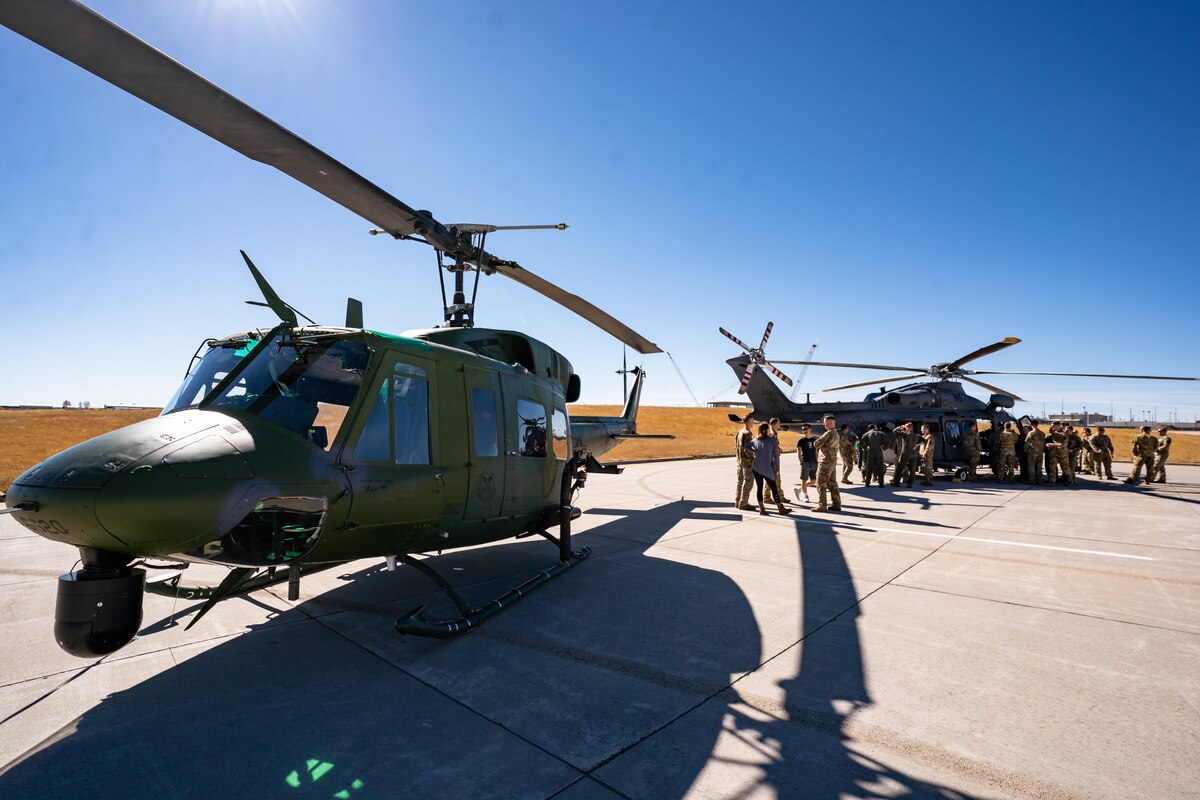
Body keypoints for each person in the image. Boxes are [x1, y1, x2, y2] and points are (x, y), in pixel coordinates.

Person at [747, 422, 792, 515]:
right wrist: (777, 469)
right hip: (767, 468)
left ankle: (761, 509)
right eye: (768, 429)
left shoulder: (755, 440)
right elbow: (776, 457)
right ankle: (780, 508)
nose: (769, 430)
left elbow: (746, 446)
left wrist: (754, 450)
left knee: (759, 488)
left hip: (755, 467)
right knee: (774, 488)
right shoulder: (772, 441)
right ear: (766, 430)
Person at [812, 415, 842, 512]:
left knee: (820, 483)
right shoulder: (836, 433)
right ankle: (836, 504)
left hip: (825, 461)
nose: (824, 424)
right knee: (832, 483)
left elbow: (816, 444)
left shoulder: (828, 433)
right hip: (832, 461)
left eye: (825, 422)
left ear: (829, 423)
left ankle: (822, 505)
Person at [734, 414, 756, 510]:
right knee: (749, 482)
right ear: (747, 422)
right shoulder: (747, 433)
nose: (753, 422)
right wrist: (753, 459)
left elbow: (737, 447)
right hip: (747, 462)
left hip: (740, 461)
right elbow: (747, 449)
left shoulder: (739, 432)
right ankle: (743, 503)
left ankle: (738, 501)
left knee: (740, 482)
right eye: (752, 421)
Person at [794, 423, 818, 503]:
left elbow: (816, 452)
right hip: (805, 462)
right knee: (804, 480)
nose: (805, 430)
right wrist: (801, 462)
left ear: (810, 429)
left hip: (814, 462)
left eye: (806, 428)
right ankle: (806, 496)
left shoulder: (814, 440)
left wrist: (817, 461)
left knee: (813, 481)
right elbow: (799, 452)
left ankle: (799, 490)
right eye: (803, 429)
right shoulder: (801, 441)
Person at [1044, 422, 1070, 486]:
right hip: (1054, 454)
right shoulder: (1054, 432)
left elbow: (1063, 444)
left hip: (1062, 454)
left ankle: (1069, 481)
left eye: (1053, 426)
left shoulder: (1064, 434)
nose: (1052, 428)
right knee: (1052, 468)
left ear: (1058, 426)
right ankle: (1051, 482)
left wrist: (1051, 444)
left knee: (1065, 468)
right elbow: (1050, 431)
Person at [1023, 420, 1046, 485]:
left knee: (1031, 466)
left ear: (1032, 425)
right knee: (1039, 466)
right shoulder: (1042, 433)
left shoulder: (1031, 433)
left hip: (1032, 452)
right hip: (1040, 452)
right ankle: (1039, 480)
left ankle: (1032, 480)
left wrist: (1025, 449)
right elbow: (1043, 443)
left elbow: (1027, 442)